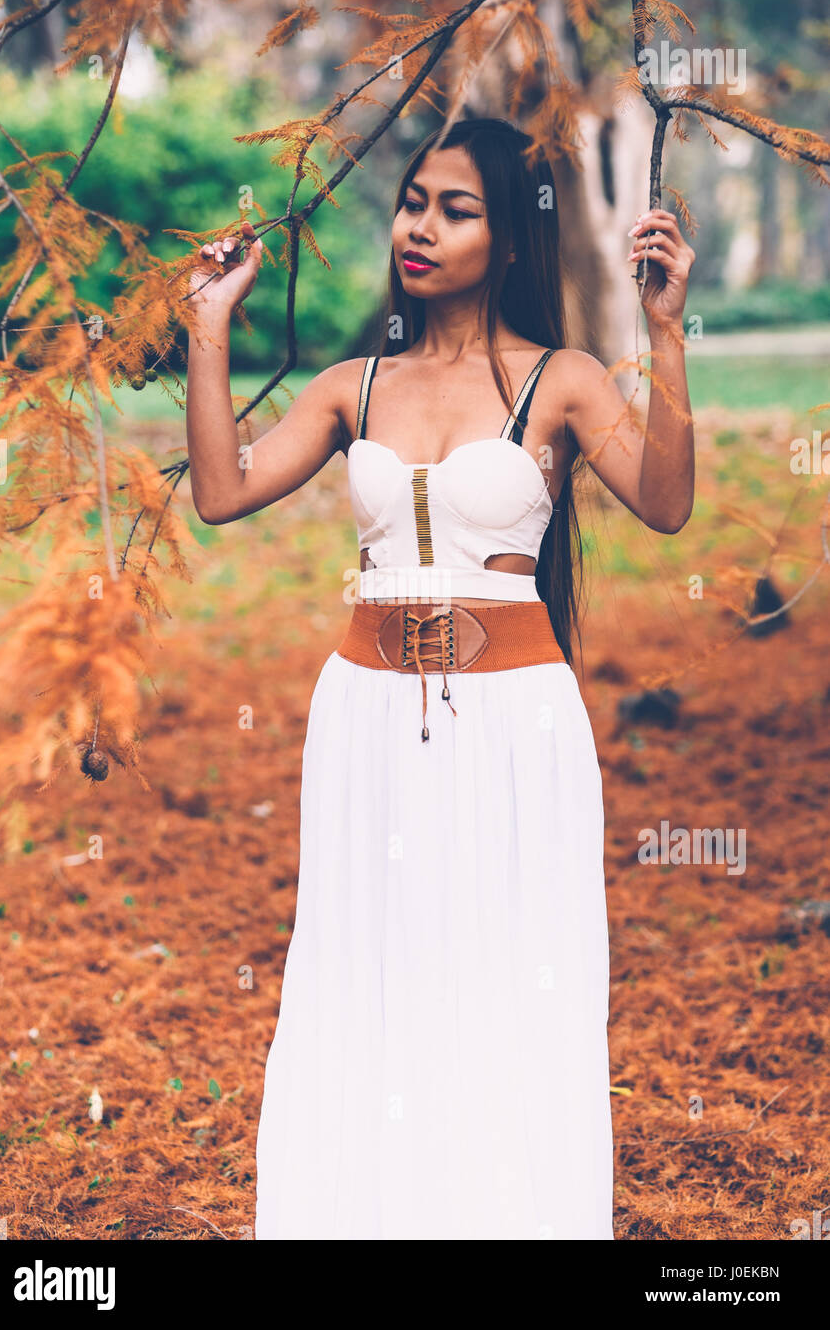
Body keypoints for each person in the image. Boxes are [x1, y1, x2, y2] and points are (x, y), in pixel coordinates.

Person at [185, 117, 696, 1239]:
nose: (419, 225)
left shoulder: (555, 381)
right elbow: (219, 491)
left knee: (505, 969)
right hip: (362, 715)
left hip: (514, 719)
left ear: (509, 237)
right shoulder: (351, 385)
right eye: (413, 199)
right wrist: (209, 326)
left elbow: (664, 505)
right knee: (368, 961)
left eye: (454, 208)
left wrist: (665, 335)